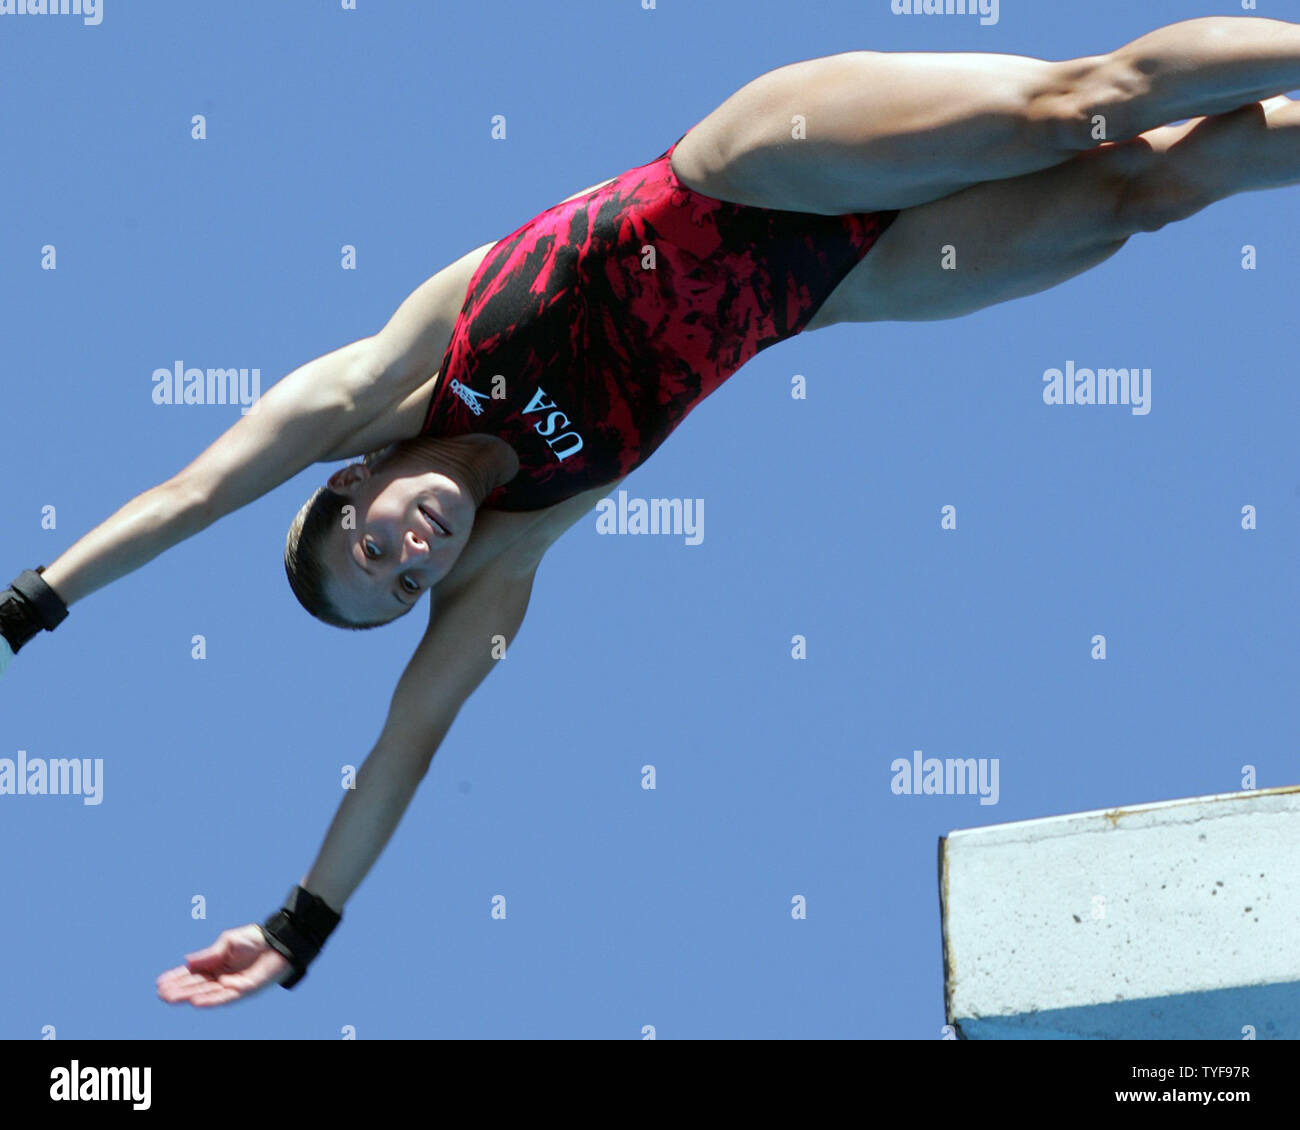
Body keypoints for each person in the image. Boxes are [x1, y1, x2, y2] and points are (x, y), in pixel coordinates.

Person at [2, 16, 1298, 1007]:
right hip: (842, 287)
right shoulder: (509, 553)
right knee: (1142, 194)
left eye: (375, 542)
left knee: (1077, 109)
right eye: (399, 586)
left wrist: (29, 606)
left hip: (754, 170)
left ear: (351, 483)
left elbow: (194, 491)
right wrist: (297, 931)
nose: (411, 556)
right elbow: (406, 744)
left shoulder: (383, 382)